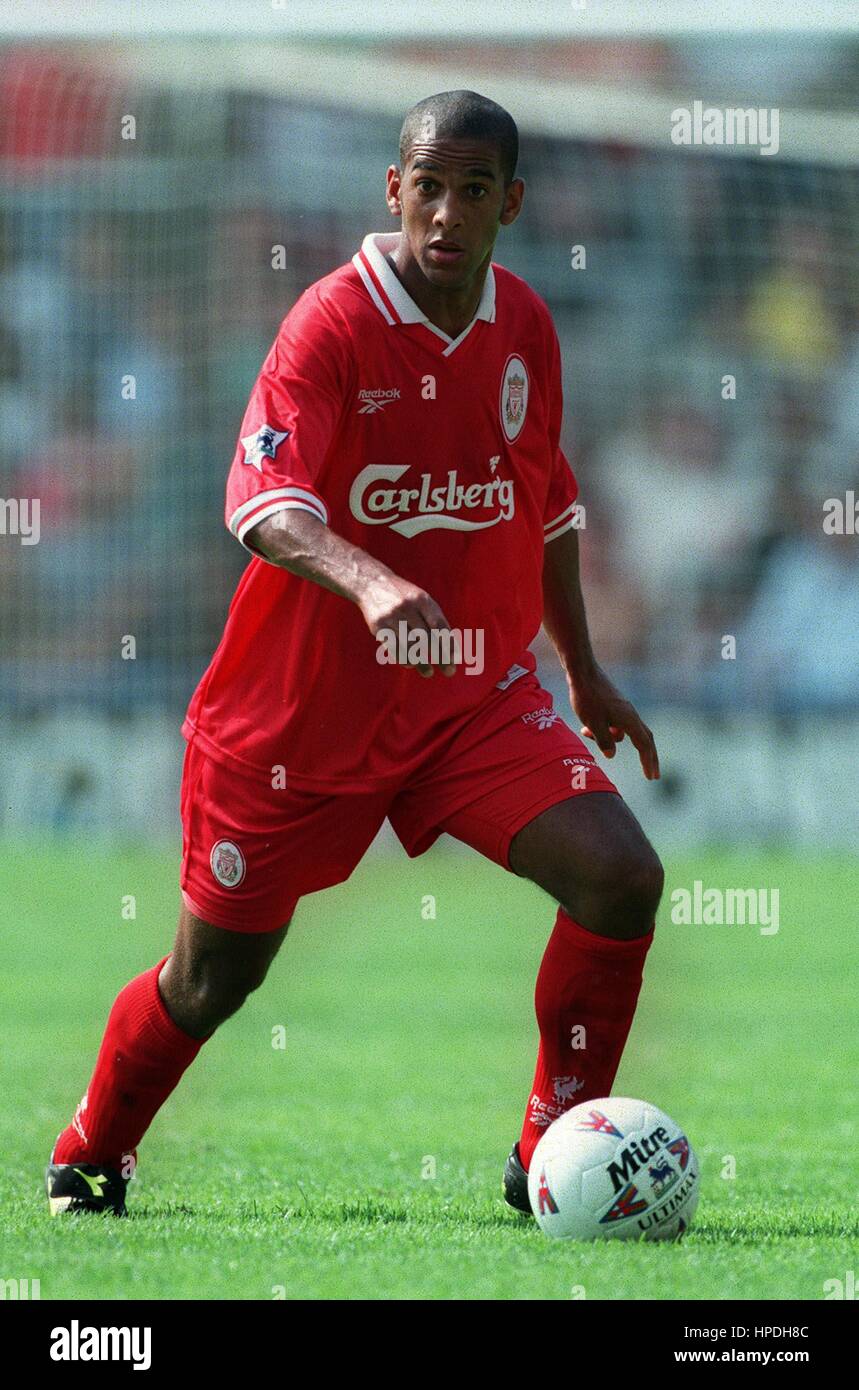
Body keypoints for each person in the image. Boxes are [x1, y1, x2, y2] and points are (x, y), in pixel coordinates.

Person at [46, 91, 663, 1218]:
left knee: (619, 878)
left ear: (509, 205)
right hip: (296, 720)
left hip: (467, 696)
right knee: (213, 979)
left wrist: (580, 667)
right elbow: (262, 501)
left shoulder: (523, 324)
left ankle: (548, 1162)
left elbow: (549, 506)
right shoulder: (329, 325)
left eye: (473, 190)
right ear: (394, 190)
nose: (446, 210)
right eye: (427, 185)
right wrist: (374, 580)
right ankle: (91, 1146)